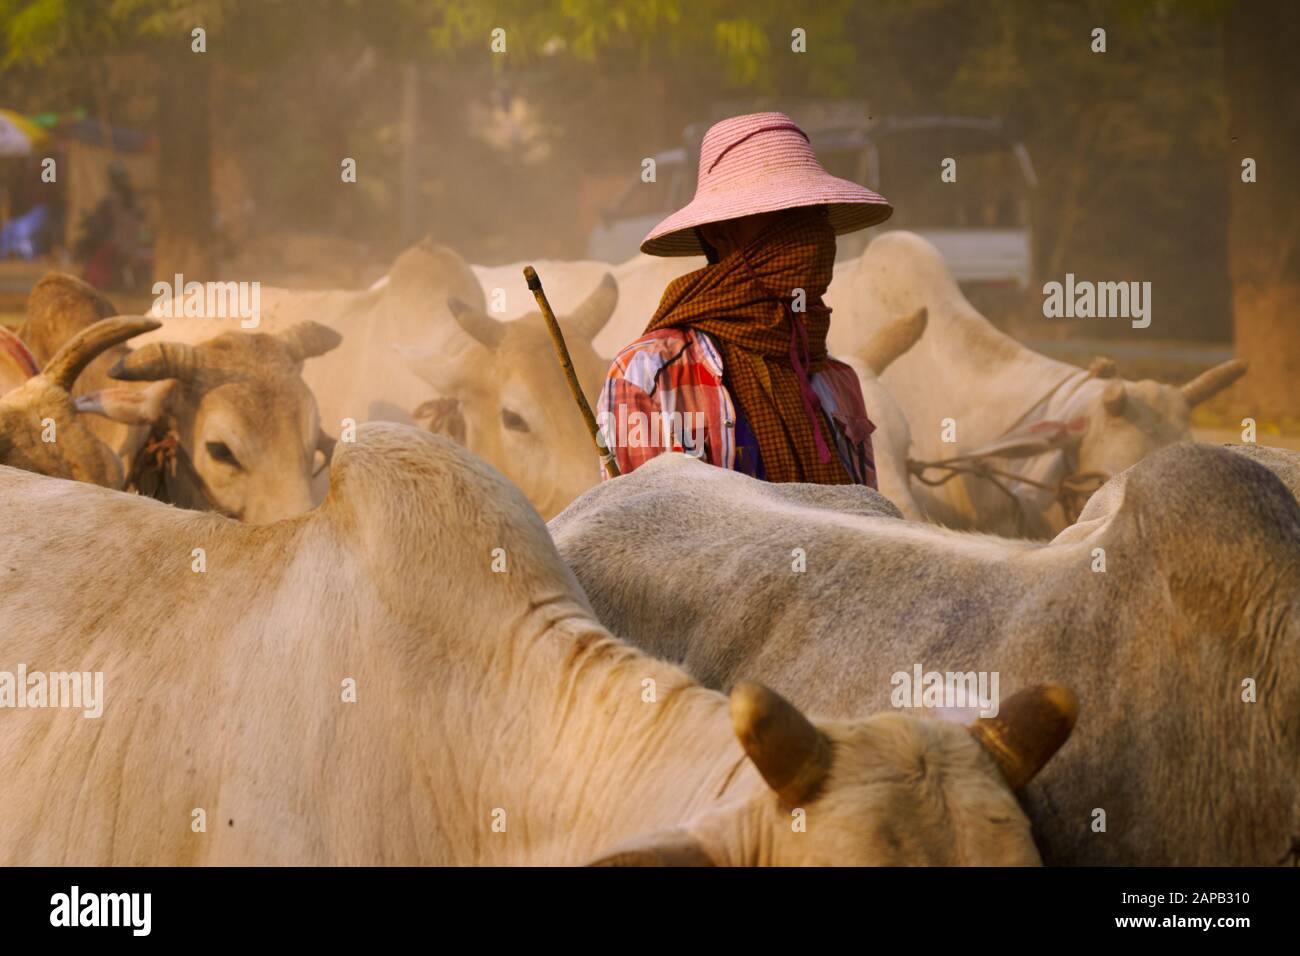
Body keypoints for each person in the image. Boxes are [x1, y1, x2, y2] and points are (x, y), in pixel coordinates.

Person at [597, 112, 893, 486]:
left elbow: (860, 529)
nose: (812, 235)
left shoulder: (836, 380)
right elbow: (646, 538)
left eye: (815, 214)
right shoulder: (646, 378)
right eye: (784, 215)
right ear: (719, 232)